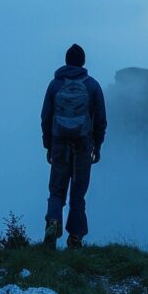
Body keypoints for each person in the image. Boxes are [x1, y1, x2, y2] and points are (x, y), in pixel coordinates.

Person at [40, 44, 107, 249]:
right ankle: (75, 237)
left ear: (66, 60)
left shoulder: (55, 85)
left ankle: (53, 222)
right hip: (83, 144)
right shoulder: (92, 85)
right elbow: (101, 120)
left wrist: (48, 145)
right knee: (78, 192)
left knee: (56, 190)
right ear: (83, 62)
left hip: (60, 143)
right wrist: (98, 146)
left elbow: (45, 117)